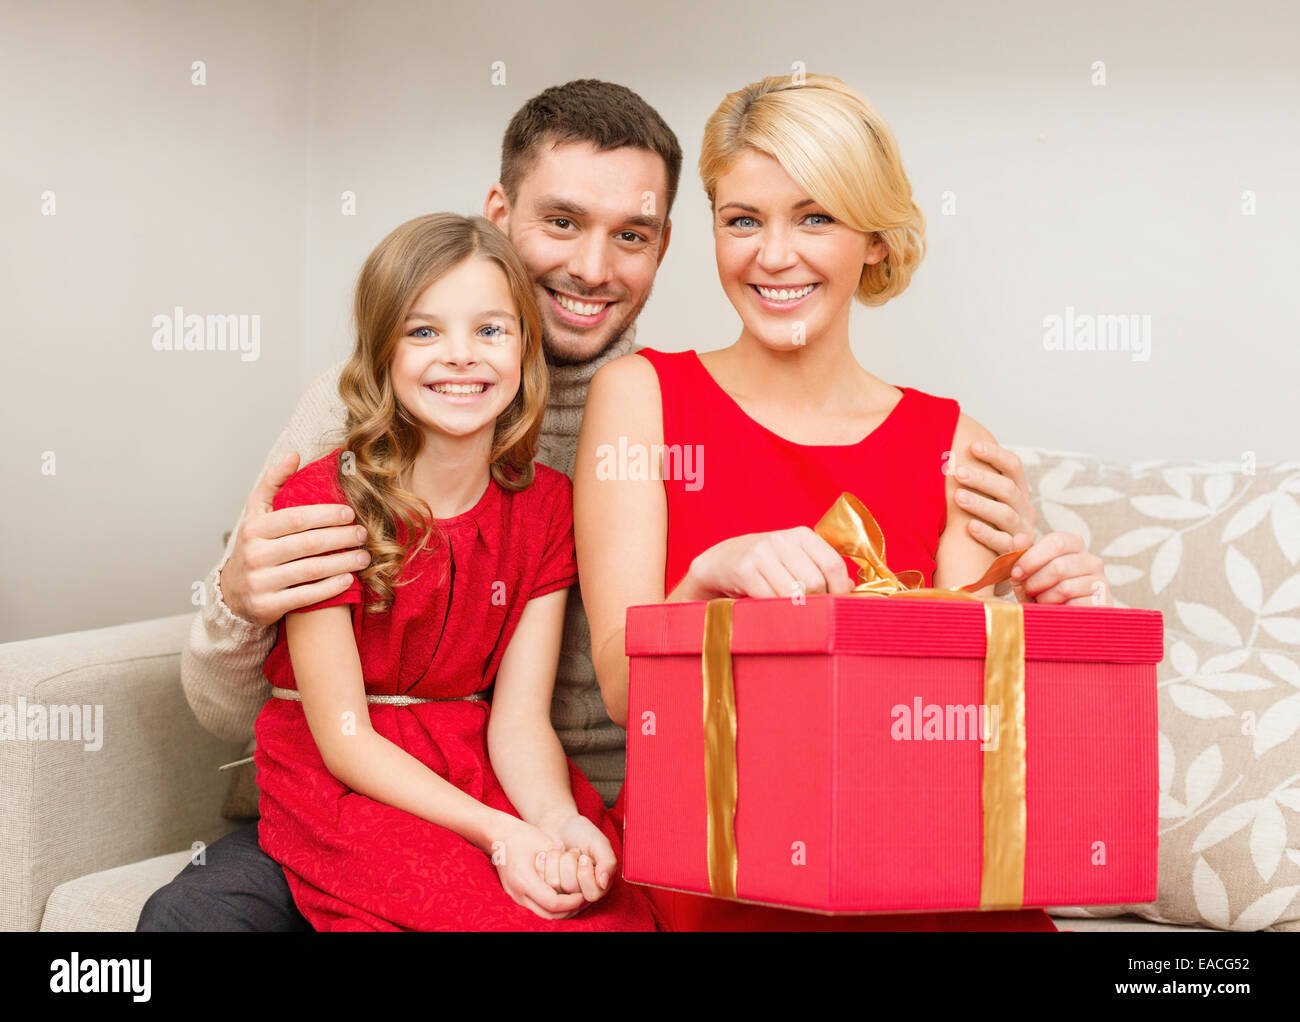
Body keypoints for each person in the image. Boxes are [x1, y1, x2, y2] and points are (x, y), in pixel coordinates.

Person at [140, 79, 1040, 931]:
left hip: (556, 799)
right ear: (497, 219)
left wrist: (1037, 587)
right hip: (353, 796)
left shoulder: (595, 446)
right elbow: (229, 709)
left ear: (665, 246)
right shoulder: (365, 412)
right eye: (561, 222)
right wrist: (233, 599)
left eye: (632, 235)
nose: (591, 267)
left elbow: (962, 709)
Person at [575, 72, 1109, 931]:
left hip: (913, 866)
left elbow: (961, 733)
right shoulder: (641, 397)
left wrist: (1060, 621)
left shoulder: (955, 440)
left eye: (815, 217)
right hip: (724, 867)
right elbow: (617, 688)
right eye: (742, 220)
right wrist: (708, 578)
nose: (773, 255)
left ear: (875, 241)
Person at [252, 212, 657, 930]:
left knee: (605, 907)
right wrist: (502, 837)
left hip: (475, 764)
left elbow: (519, 718)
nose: (462, 356)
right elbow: (345, 738)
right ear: (381, 351)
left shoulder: (544, 507)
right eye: (424, 331)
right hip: (347, 776)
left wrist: (555, 820)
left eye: (491, 331)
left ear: (526, 351)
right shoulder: (322, 500)